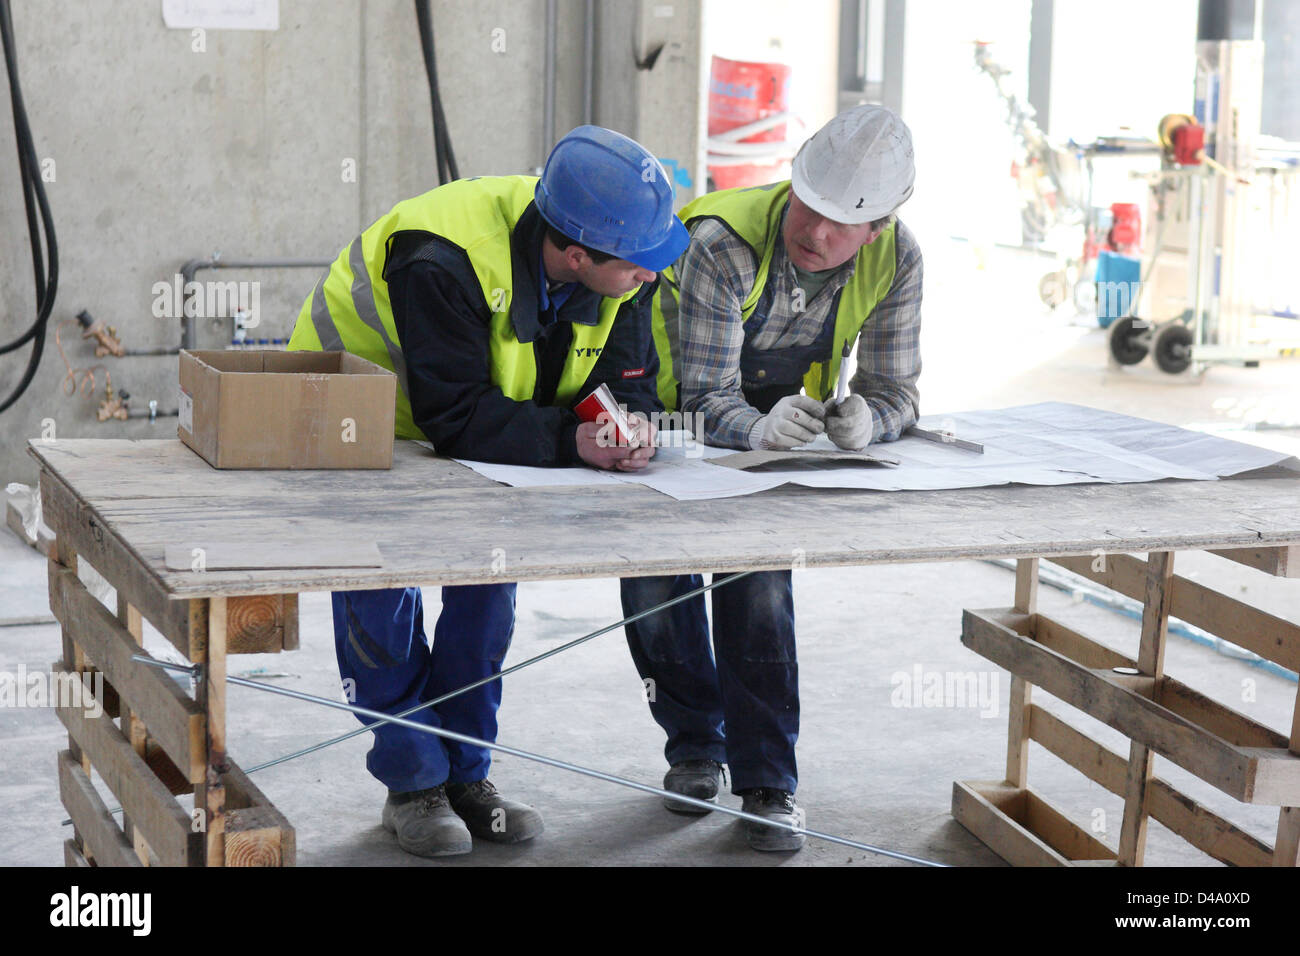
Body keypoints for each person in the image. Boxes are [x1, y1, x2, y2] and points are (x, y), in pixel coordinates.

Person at [288, 126, 688, 857]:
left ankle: (466, 776)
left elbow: (632, 383)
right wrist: (571, 442)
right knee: (383, 595)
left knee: (487, 590)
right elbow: (452, 416)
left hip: (481, 437)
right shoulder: (441, 258)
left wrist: (633, 426)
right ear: (575, 256)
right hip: (361, 424)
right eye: (639, 266)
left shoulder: (616, 265)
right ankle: (412, 783)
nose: (652, 278)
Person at [620, 104, 922, 851]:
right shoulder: (722, 243)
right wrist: (753, 428)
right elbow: (703, 395)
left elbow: (898, 391)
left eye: (839, 223)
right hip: (669, 422)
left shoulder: (898, 261)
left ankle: (767, 782)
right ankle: (693, 745)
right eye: (807, 206)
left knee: (758, 586)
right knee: (655, 586)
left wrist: (869, 420)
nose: (813, 232)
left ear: (878, 226)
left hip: (777, 436)